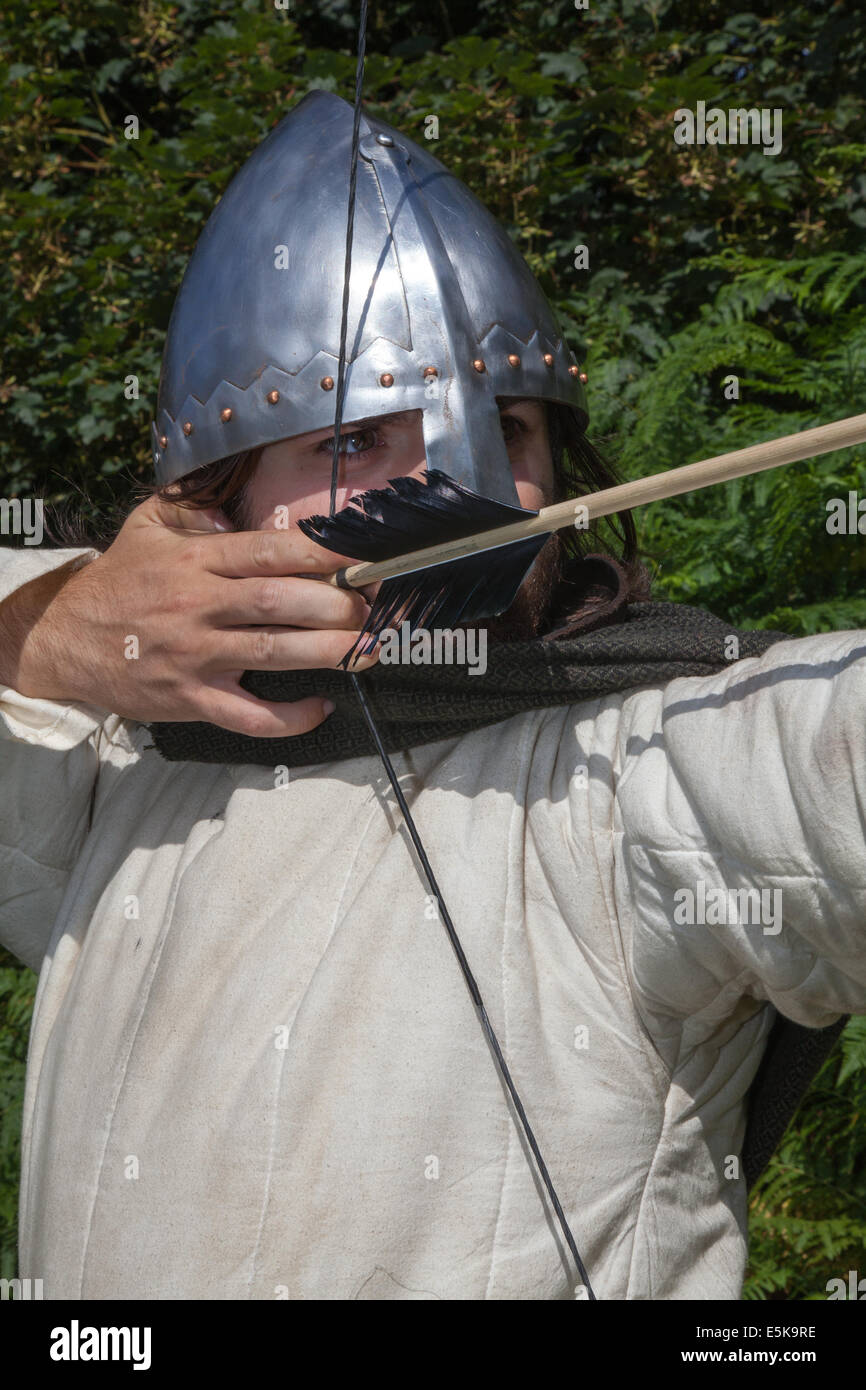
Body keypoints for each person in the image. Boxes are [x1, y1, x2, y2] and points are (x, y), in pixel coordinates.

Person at [0, 91, 863, 1301]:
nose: (463, 486)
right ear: (213, 504)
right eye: (350, 441)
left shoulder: (641, 772)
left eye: (506, 428)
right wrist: (45, 629)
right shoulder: (109, 777)